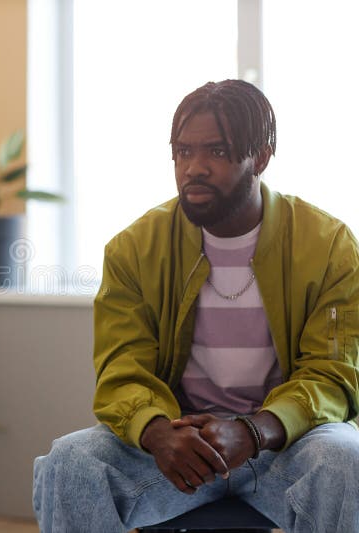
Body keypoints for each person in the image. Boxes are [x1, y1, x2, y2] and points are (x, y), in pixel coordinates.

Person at [33, 79, 359, 532]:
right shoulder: (134, 249)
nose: (194, 168)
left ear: (260, 157)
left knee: (347, 459)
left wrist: (252, 431)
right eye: (183, 152)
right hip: (179, 447)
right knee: (70, 462)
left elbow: (332, 375)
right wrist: (157, 431)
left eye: (218, 153)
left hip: (284, 445)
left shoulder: (329, 246)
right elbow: (121, 370)